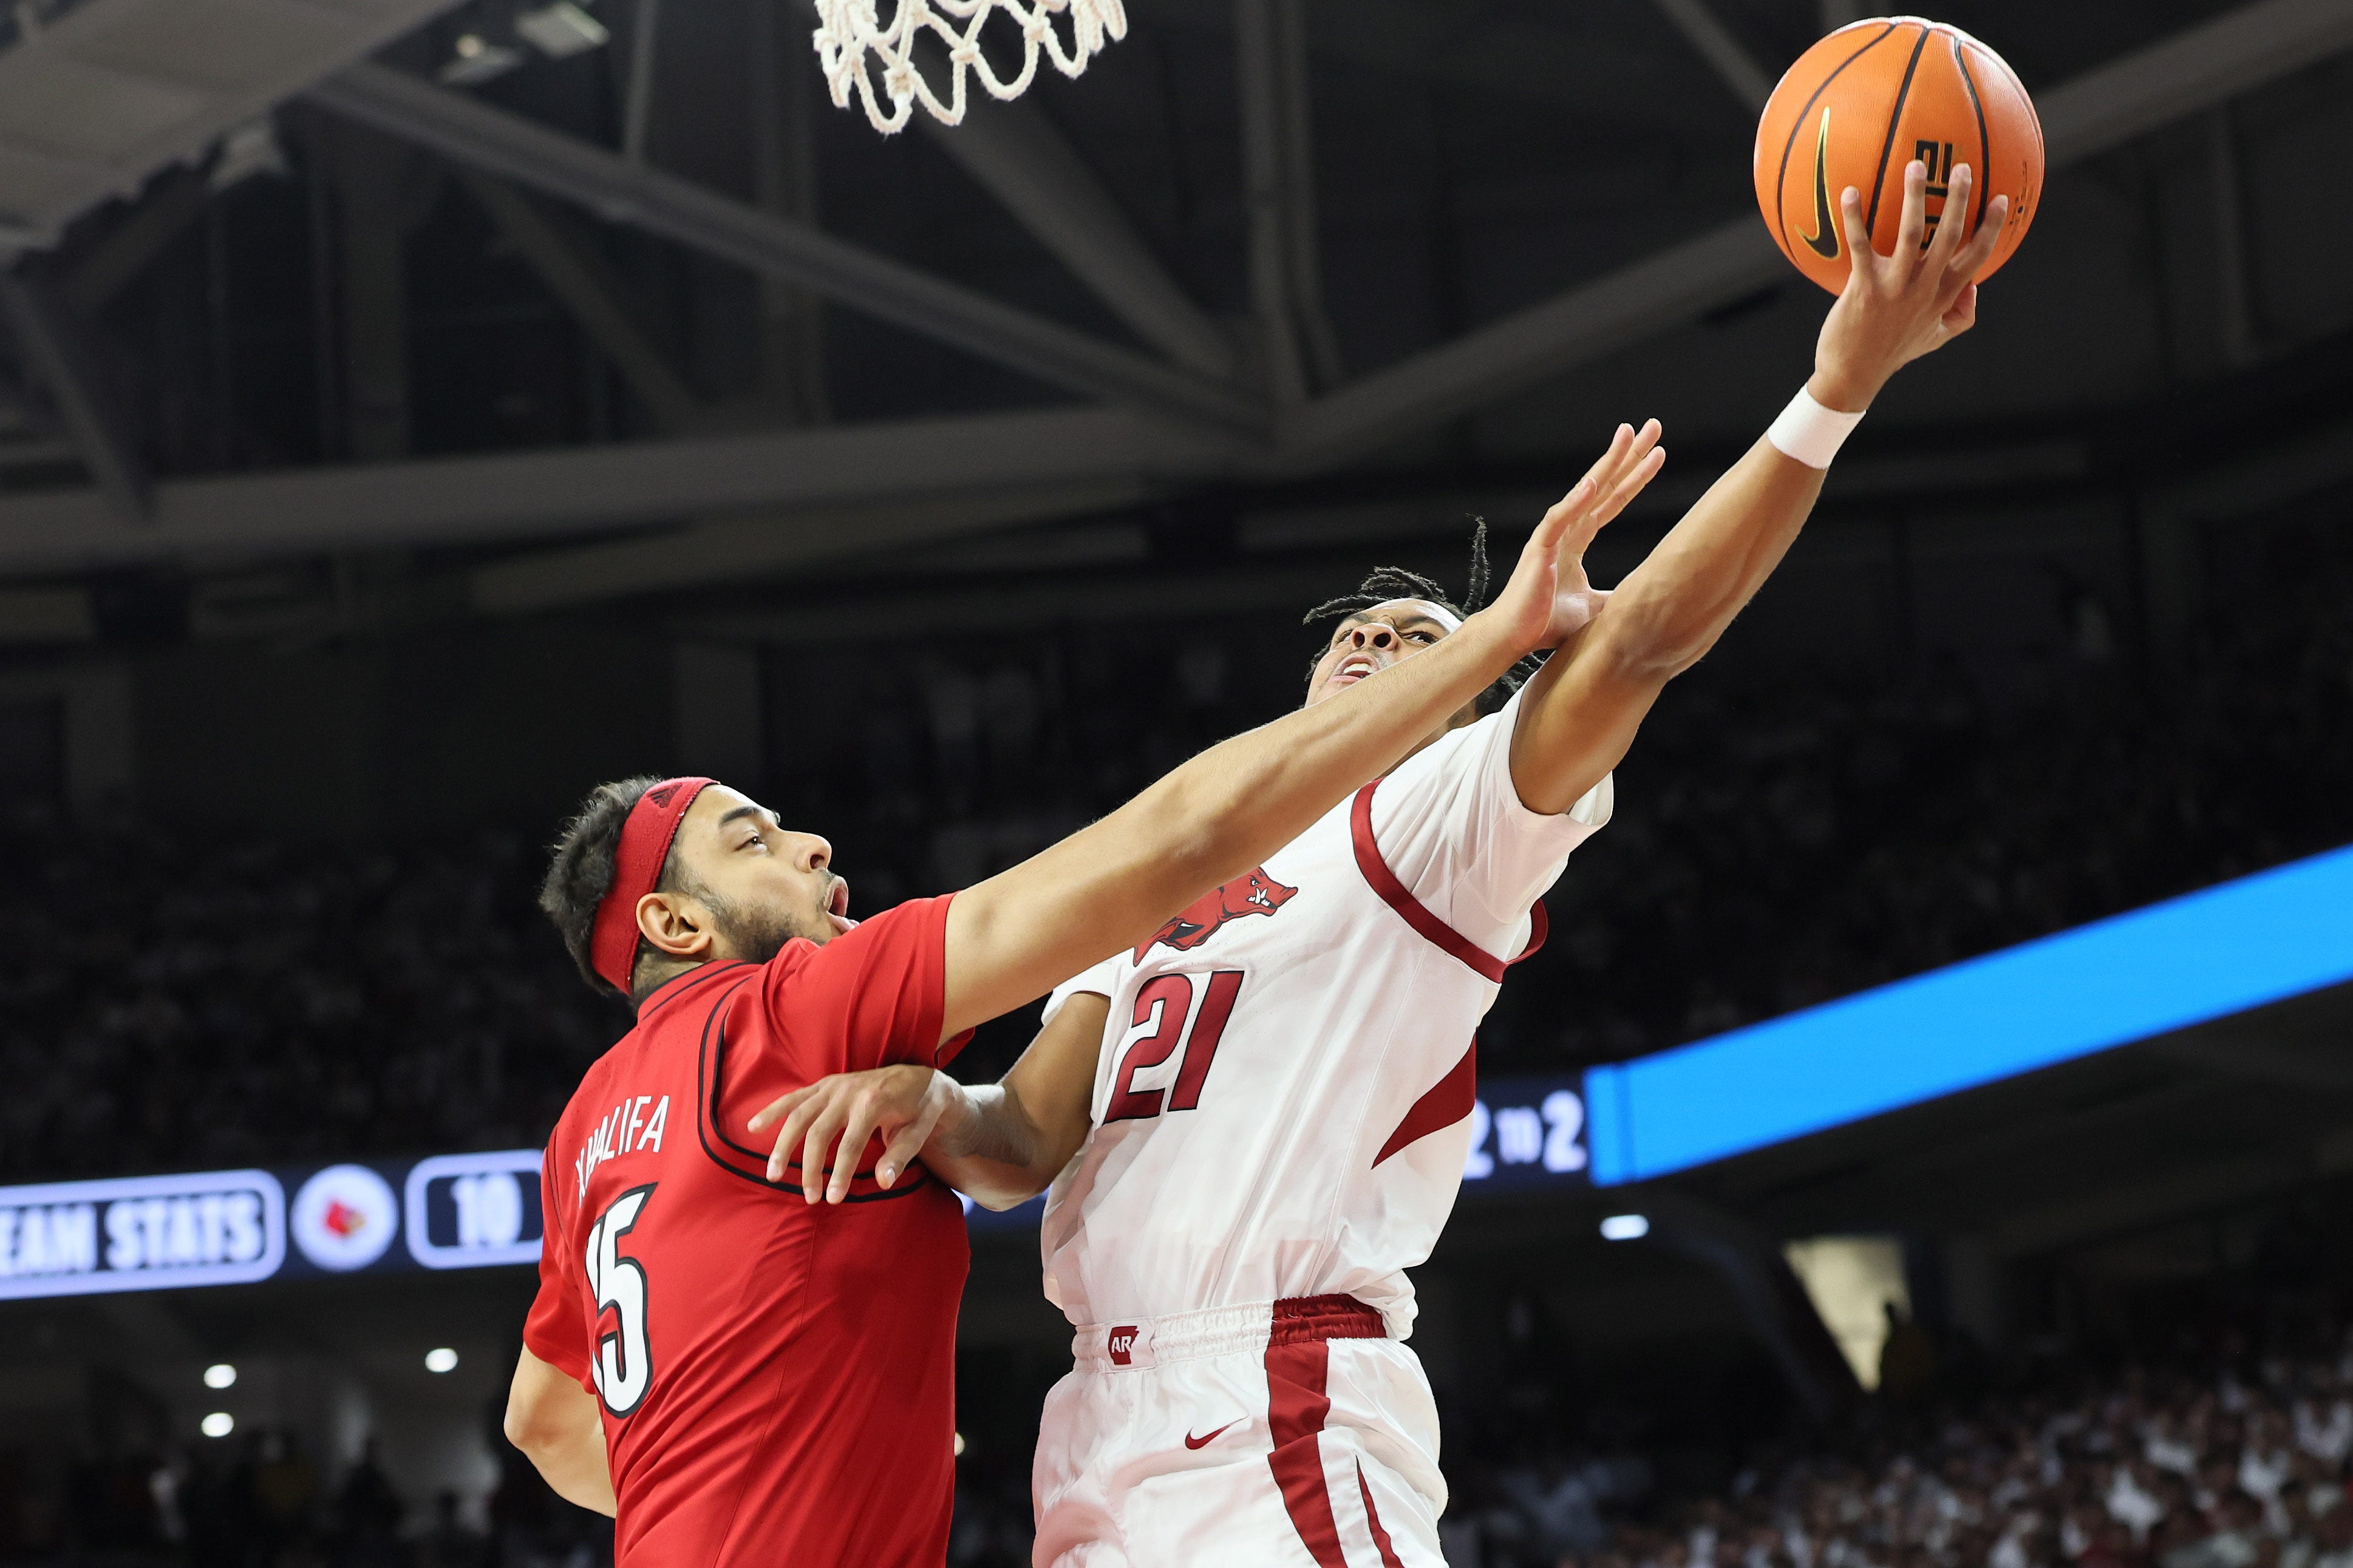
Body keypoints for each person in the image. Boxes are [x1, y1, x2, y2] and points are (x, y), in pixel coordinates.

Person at [757, 161, 2012, 1567]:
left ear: (1463, 699)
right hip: (1096, 1425)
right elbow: (1021, 1149)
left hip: (1276, 1395)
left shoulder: (1444, 813)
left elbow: (1649, 631)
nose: (1373, 641)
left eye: (1422, 640)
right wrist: (929, 1095)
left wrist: (1833, 389)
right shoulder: (1153, 887)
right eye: (1355, 635)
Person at [497, 471, 1633, 1568]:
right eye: (753, 841)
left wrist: (729, 1480)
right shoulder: (796, 1013)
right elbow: (1174, 843)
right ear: (677, 924)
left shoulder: (581, 1132)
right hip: (1189, 1404)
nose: (813, 846)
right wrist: (1502, 632)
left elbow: (546, 1422)